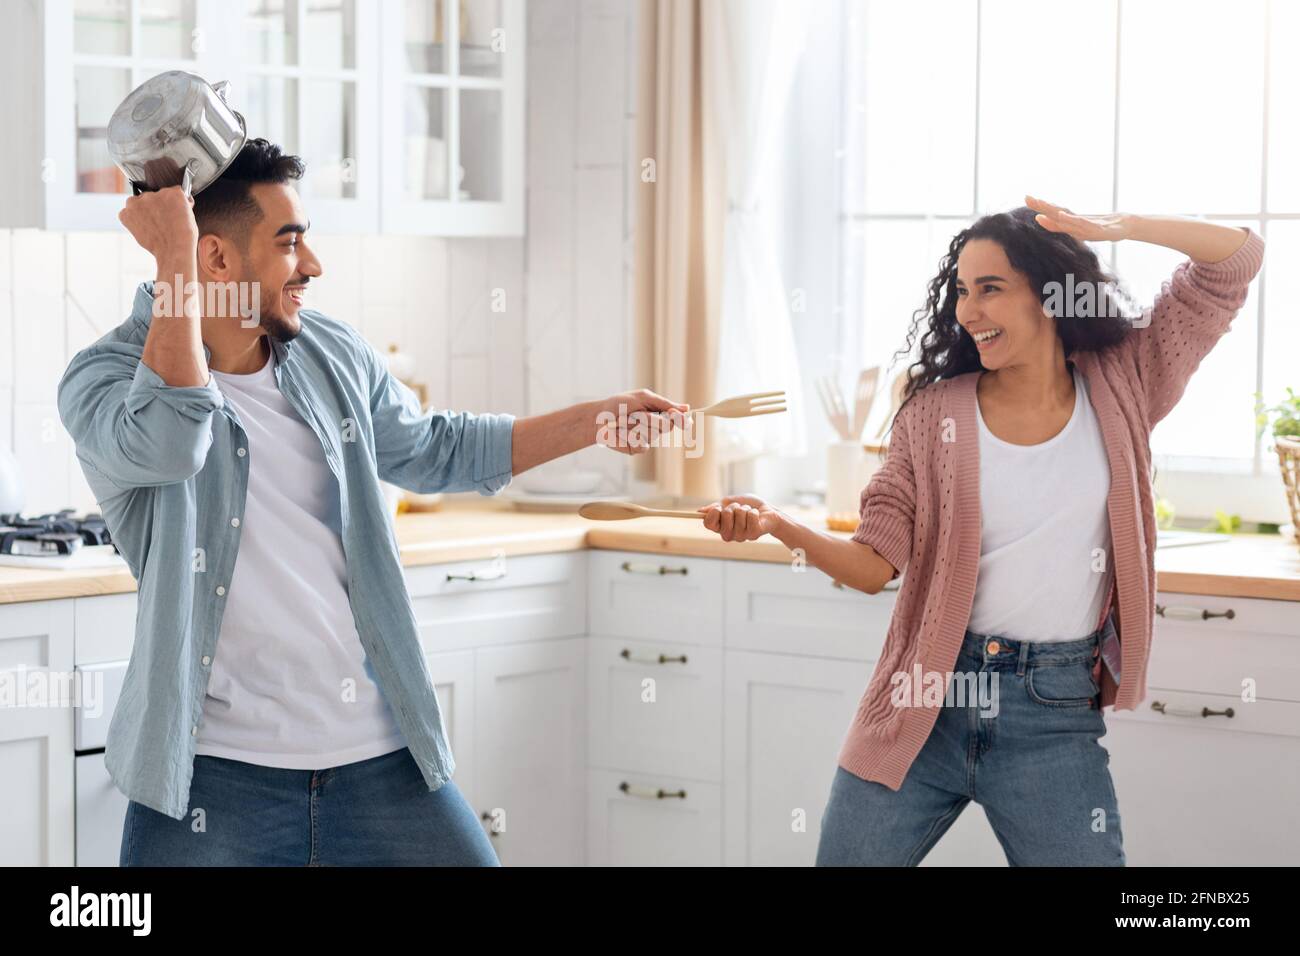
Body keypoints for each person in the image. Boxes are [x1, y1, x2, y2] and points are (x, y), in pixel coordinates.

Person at [58, 138, 688, 866]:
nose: (313, 267)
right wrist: (173, 265)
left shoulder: (334, 354)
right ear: (217, 260)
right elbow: (173, 443)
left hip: (379, 757)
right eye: (289, 245)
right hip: (211, 780)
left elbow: (437, 448)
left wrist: (596, 420)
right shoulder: (102, 378)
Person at [697, 196, 1265, 866]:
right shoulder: (931, 415)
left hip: (1051, 715)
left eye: (990, 289)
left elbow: (1235, 261)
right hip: (921, 706)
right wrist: (776, 524)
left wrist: (1124, 228)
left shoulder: (1127, 384)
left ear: (1052, 296)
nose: (968, 311)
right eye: (963, 291)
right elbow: (873, 564)